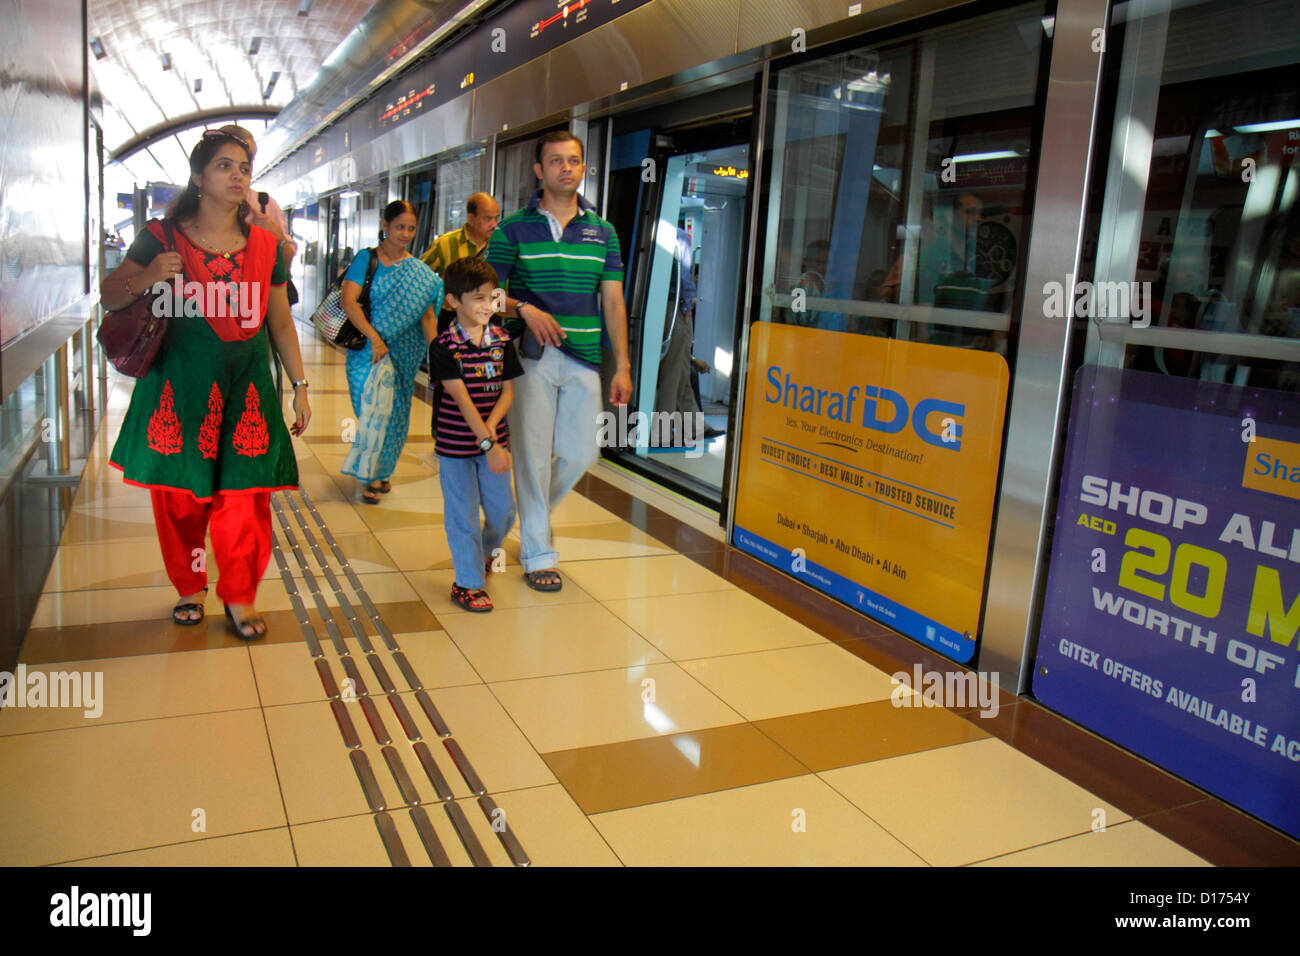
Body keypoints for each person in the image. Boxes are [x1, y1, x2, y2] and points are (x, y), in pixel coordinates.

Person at [101, 128, 311, 639]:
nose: (238, 175)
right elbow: (110, 295)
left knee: (246, 494)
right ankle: (190, 586)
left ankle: (239, 596)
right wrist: (150, 274)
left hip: (246, 388)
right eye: (224, 166)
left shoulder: (266, 247)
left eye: (243, 167)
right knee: (180, 495)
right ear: (197, 178)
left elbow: (279, 321)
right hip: (178, 386)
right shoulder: (161, 236)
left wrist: (301, 385)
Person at [486, 131, 633, 591]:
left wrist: (623, 364)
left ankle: (526, 514)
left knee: (581, 451)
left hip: (586, 357)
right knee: (531, 456)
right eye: (555, 161)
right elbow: (486, 294)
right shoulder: (513, 229)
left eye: (573, 161)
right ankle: (538, 553)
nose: (565, 168)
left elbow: (613, 302)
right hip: (532, 357)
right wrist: (524, 309)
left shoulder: (603, 232)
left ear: (583, 167)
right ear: (539, 170)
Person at [427, 257, 524, 612]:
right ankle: (467, 582)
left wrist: (493, 441)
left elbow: (507, 392)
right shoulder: (444, 347)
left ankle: (483, 553)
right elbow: (462, 400)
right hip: (456, 447)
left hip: (491, 445)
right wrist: (488, 444)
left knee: (504, 512)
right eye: (478, 299)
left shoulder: (501, 340)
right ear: (453, 301)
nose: (487, 306)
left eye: (492, 298)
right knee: (462, 514)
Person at [339, 200, 443, 503]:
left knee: (395, 414)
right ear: (385, 226)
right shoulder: (366, 259)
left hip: (402, 358)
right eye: (400, 227)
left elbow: (427, 318)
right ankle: (373, 471)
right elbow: (349, 301)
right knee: (370, 409)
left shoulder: (420, 275)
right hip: (365, 352)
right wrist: (374, 337)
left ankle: (379, 474)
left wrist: (438, 357)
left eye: (411, 228)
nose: (406, 233)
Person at [421, 192, 500, 333]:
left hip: (487, 319)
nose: (494, 224)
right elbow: (418, 277)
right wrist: (439, 297)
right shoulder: (446, 243)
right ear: (471, 218)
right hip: (451, 319)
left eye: (496, 218)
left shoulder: (499, 246)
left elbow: (502, 287)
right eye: (488, 218)